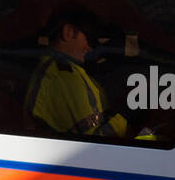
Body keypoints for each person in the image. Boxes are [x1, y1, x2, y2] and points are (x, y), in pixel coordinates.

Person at [25, 7, 132, 138]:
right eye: (89, 37)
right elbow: (93, 141)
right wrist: (126, 115)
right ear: (68, 32)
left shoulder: (61, 70)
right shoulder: (62, 75)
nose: (89, 47)